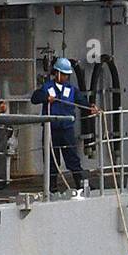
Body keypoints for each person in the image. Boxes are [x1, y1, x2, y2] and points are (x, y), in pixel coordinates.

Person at [30, 57, 98, 190]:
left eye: (67, 75)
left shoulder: (71, 89)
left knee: (72, 158)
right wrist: (46, 98)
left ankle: (81, 184)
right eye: (64, 74)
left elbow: (81, 102)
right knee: (51, 160)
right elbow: (34, 98)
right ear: (57, 73)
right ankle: (52, 188)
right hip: (51, 129)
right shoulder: (47, 87)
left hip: (66, 129)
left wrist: (90, 107)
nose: (66, 77)